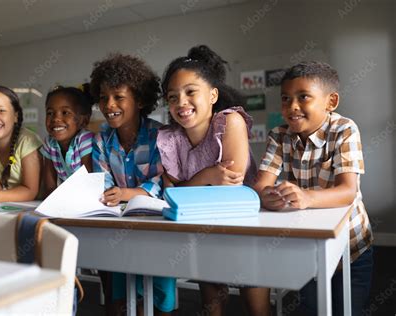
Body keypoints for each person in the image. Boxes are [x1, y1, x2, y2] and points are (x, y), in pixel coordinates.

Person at [157, 45, 270, 316]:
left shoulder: (229, 122)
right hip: (201, 229)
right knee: (212, 304)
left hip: (243, 225)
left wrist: (188, 187)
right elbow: (169, 193)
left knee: (256, 306)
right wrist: (208, 176)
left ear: (213, 95)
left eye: (190, 92)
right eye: (172, 97)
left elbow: (231, 185)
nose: (181, 102)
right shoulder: (170, 138)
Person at [254, 61, 373, 316]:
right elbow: (261, 183)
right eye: (285, 98)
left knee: (347, 309)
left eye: (303, 97)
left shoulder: (344, 130)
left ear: (331, 102)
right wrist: (267, 196)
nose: (292, 106)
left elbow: (348, 191)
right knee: (313, 308)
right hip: (309, 248)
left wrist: (306, 197)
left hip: (352, 248)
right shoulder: (279, 134)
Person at [90, 53, 176, 315]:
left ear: (139, 100)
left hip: (155, 227)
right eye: (103, 98)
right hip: (118, 225)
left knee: (159, 293)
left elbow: (160, 182)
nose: (109, 104)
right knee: (120, 292)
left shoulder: (160, 135)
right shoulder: (102, 139)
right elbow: (102, 182)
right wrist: (113, 195)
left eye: (118, 97)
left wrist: (125, 193)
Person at [40, 84, 94, 196]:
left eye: (65, 113)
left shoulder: (85, 140)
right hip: (69, 200)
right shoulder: (49, 143)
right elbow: (50, 186)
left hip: (89, 197)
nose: (56, 119)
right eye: (50, 113)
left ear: (83, 120)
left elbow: (90, 182)